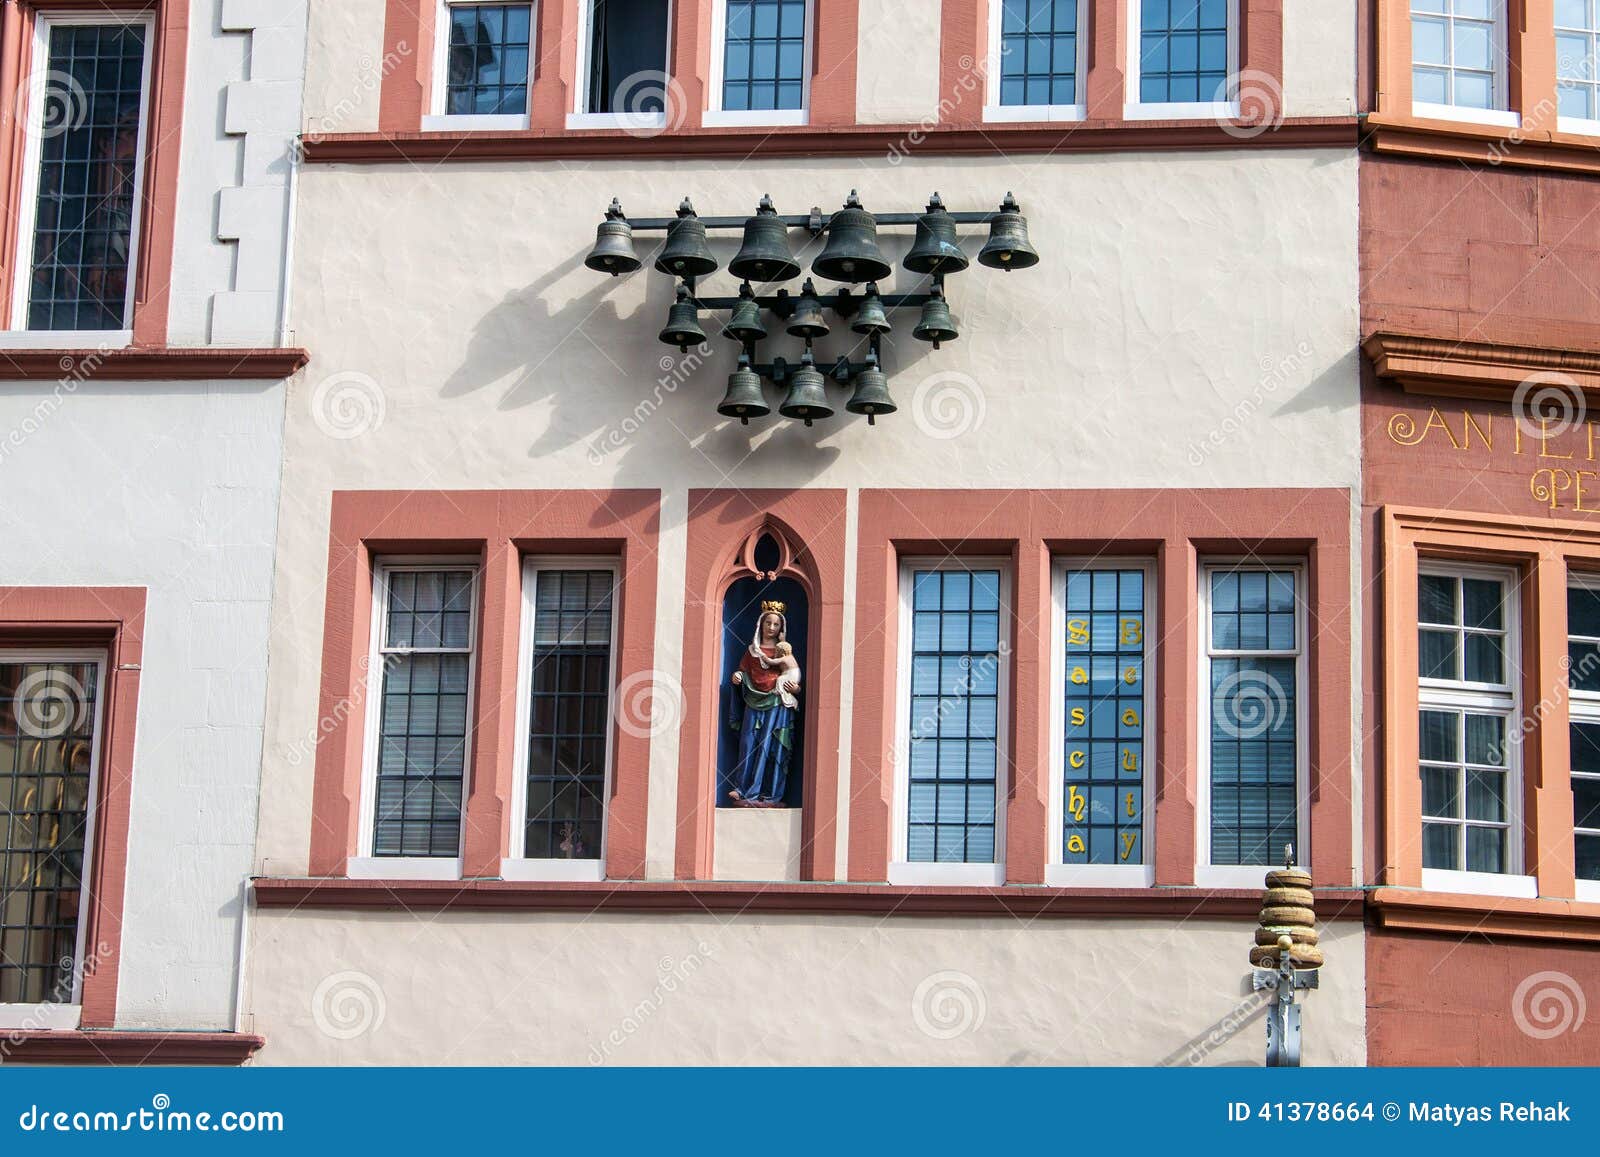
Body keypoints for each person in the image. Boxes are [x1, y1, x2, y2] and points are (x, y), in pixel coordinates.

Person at [727, 600, 800, 806]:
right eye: (768, 623)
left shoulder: (783, 653)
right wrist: (738, 676)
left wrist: (796, 689)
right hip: (753, 700)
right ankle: (743, 789)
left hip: (777, 704)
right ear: (761, 624)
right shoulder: (752, 652)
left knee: (771, 746)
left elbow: (794, 675)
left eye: (776, 624)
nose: (771, 628)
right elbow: (743, 671)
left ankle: (769, 793)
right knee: (748, 743)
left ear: (781, 629)